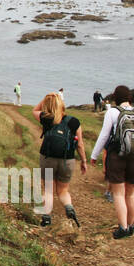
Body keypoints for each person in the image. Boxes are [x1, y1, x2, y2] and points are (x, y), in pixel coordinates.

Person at [90, 85, 134, 239]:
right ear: (129, 98)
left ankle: (123, 227)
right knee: (131, 193)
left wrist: (94, 155)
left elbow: (104, 136)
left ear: (115, 98)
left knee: (118, 193)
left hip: (116, 156)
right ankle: (131, 226)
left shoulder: (112, 112)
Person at [32, 91, 86, 227]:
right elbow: (80, 144)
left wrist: (47, 99)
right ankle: (69, 207)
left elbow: (35, 110)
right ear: (62, 104)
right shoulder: (74, 122)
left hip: (48, 157)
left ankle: (46, 217)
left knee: (48, 189)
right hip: (67, 160)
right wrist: (84, 161)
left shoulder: (46, 118)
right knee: (63, 191)